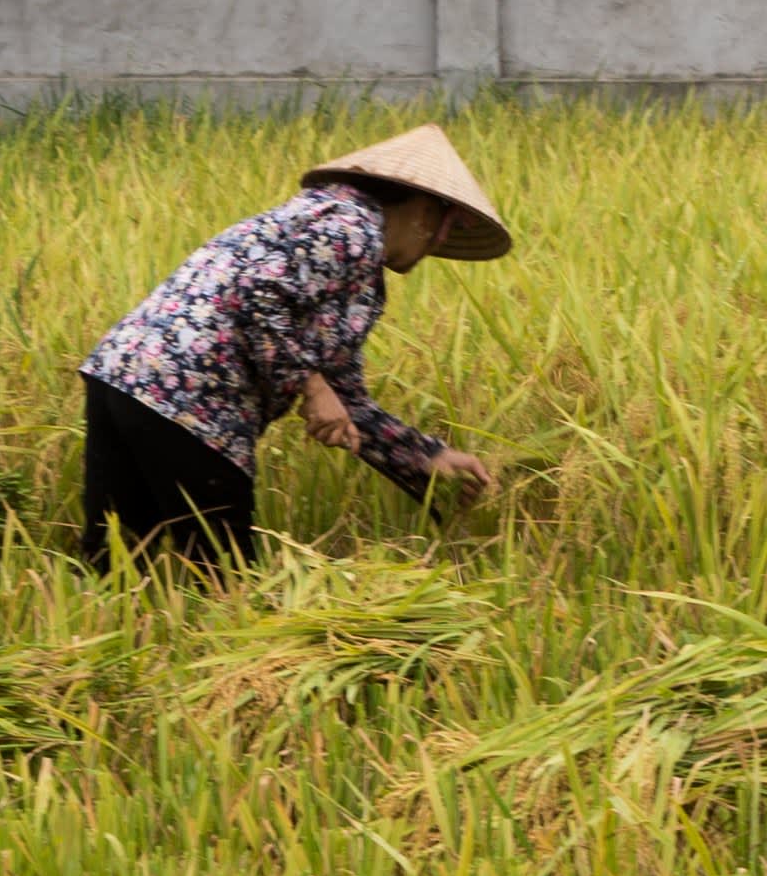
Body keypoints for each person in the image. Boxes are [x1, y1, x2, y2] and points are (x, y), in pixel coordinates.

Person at [77, 125, 509, 571]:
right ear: (423, 211)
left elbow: (345, 400)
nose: (440, 244)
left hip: (122, 377)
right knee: (222, 578)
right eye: (447, 228)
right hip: (193, 404)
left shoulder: (332, 235)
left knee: (115, 562)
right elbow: (258, 294)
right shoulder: (352, 227)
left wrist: (426, 456)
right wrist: (312, 387)